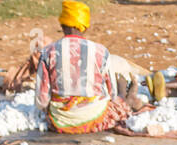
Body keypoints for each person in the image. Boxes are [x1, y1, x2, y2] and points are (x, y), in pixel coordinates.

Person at [35, 2, 134, 134]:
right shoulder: (101, 51)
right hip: (96, 119)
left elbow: (41, 101)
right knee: (121, 104)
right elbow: (112, 94)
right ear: (85, 27)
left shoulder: (47, 52)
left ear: (62, 24)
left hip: (60, 123)